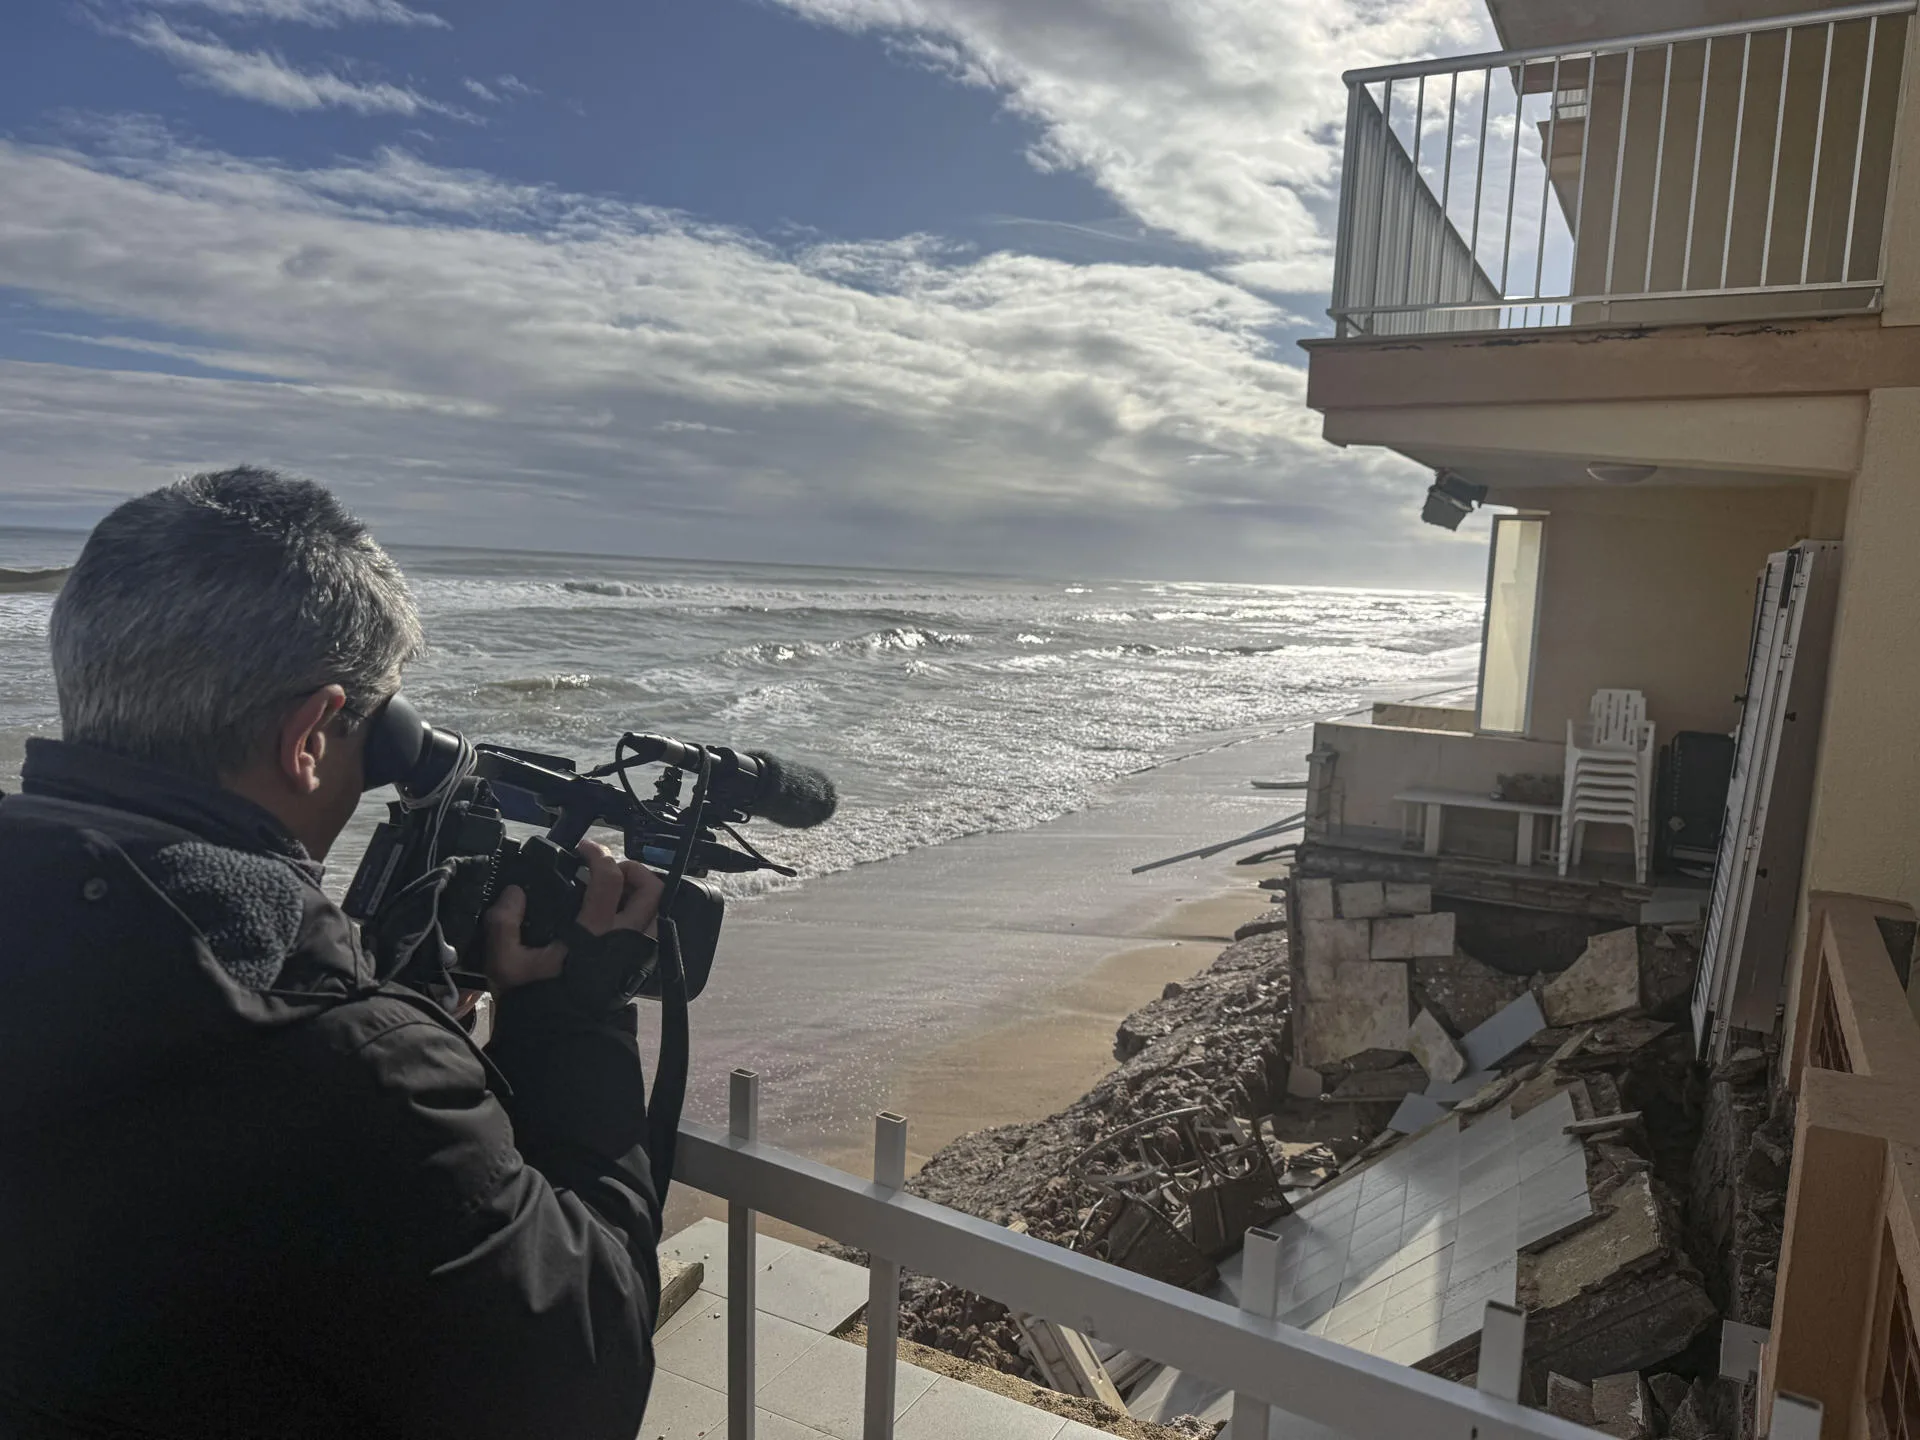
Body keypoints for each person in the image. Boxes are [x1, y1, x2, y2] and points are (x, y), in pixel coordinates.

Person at [0, 468, 666, 1439]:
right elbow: (582, 1374)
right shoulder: (361, 1077)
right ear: (311, 735)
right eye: (380, 729)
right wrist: (577, 1024)